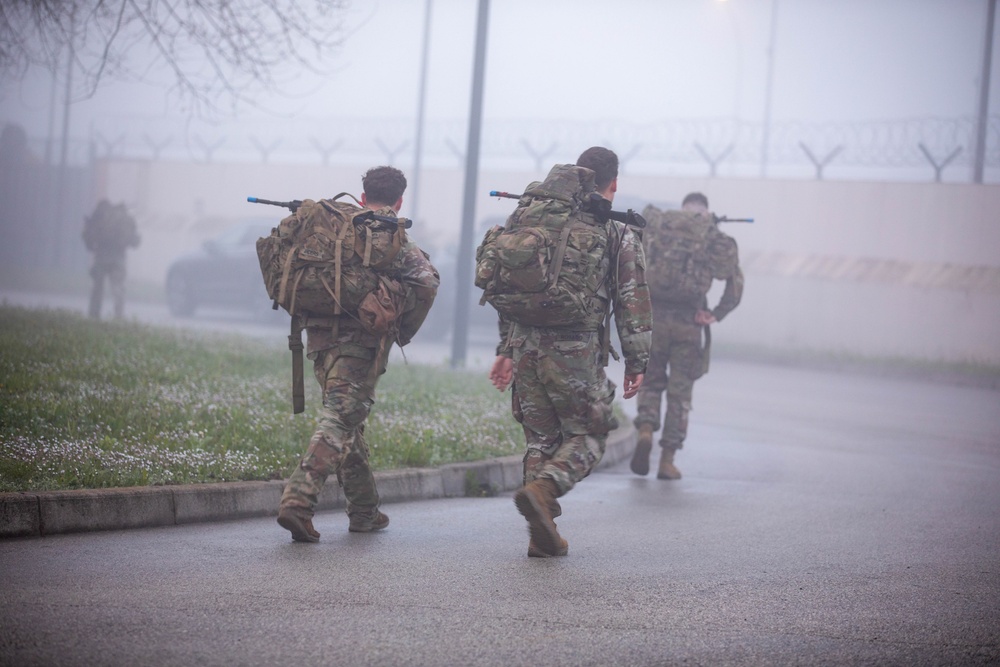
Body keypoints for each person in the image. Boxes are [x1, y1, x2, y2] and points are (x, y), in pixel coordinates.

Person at [488, 146, 652, 558]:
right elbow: (632, 300)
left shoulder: (532, 219)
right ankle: (544, 492)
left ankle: (540, 533)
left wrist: (506, 346)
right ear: (613, 183)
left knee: (540, 439)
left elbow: (510, 284)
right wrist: (637, 361)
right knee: (591, 434)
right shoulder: (615, 231)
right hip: (575, 348)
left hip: (525, 343)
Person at [277, 166, 440, 543]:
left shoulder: (334, 227)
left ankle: (365, 512)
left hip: (317, 338)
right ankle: (298, 501)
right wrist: (403, 329)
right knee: (339, 418)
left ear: (363, 196)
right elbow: (427, 282)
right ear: (399, 201)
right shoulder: (389, 234)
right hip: (360, 345)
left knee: (347, 419)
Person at [630, 191, 744, 480]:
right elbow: (734, 278)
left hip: (653, 319)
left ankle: (645, 429)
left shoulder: (659, 224)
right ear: (705, 212)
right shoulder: (709, 235)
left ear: (683, 209)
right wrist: (717, 312)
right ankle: (667, 461)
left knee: (651, 382)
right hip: (689, 322)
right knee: (680, 395)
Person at [82, 199, 141, 320]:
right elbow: (135, 241)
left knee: (97, 288)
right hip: (118, 257)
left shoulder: (100, 214)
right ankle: (118, 316)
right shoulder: (124, 217)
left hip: (101, 256)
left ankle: (93, 315)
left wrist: (93, 247)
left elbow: (88, 235)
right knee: (118, 288)